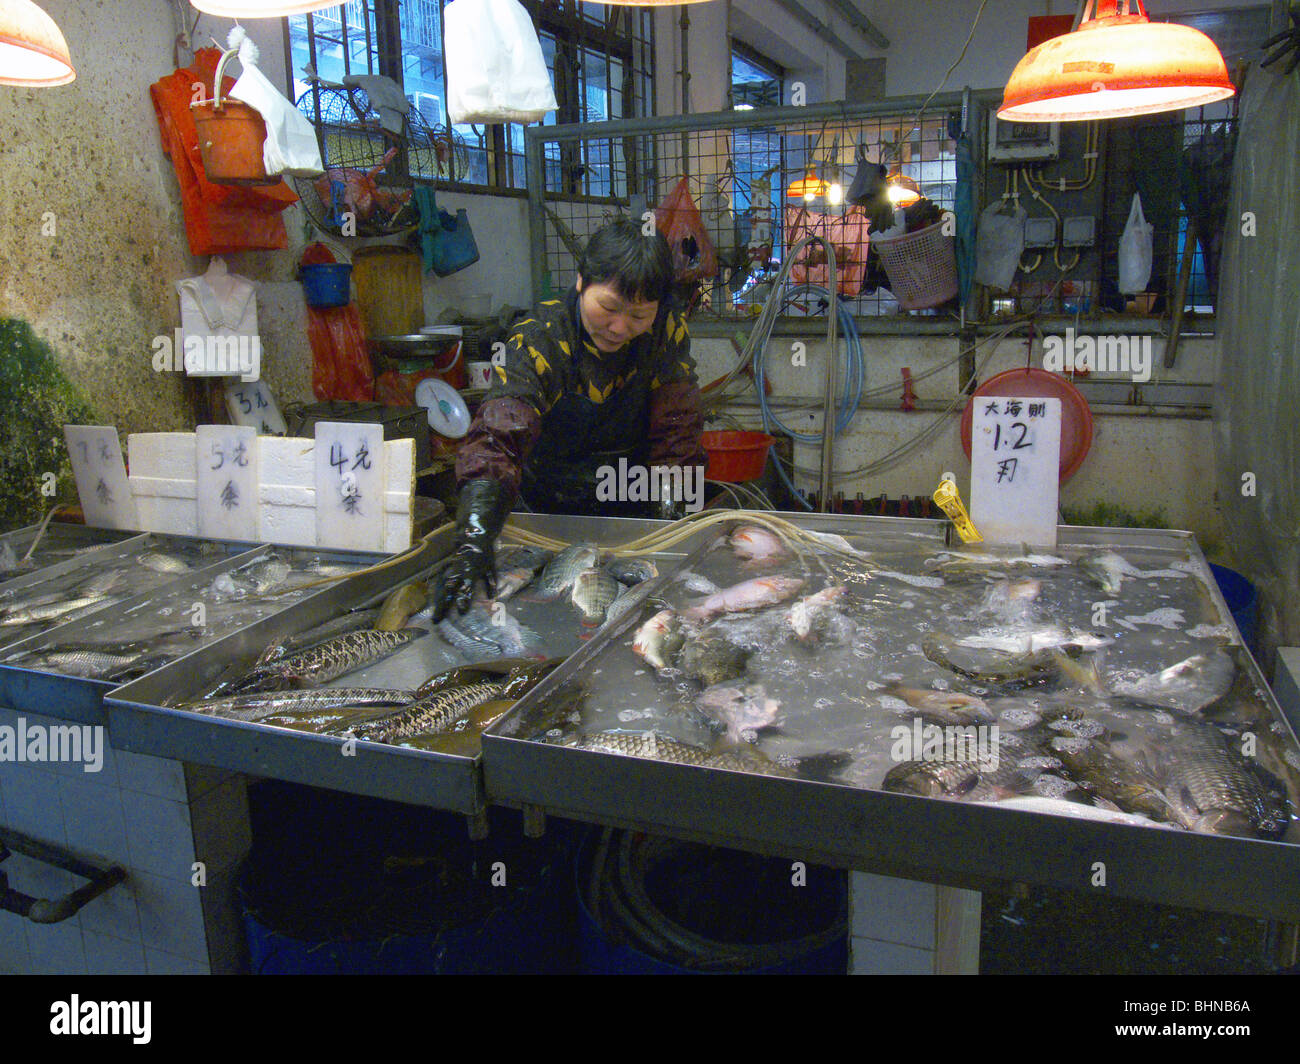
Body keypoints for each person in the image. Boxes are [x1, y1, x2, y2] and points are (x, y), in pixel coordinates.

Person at [431, 217, 706, 621]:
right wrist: (474, 537)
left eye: (638, 315)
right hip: (544, 512)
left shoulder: (666, 331)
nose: (619, 328)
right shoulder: (538, 338)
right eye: (609, 308)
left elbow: (677, 429)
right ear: (581, 280)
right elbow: (497, 436)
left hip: (629, 506)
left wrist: (674, 524)